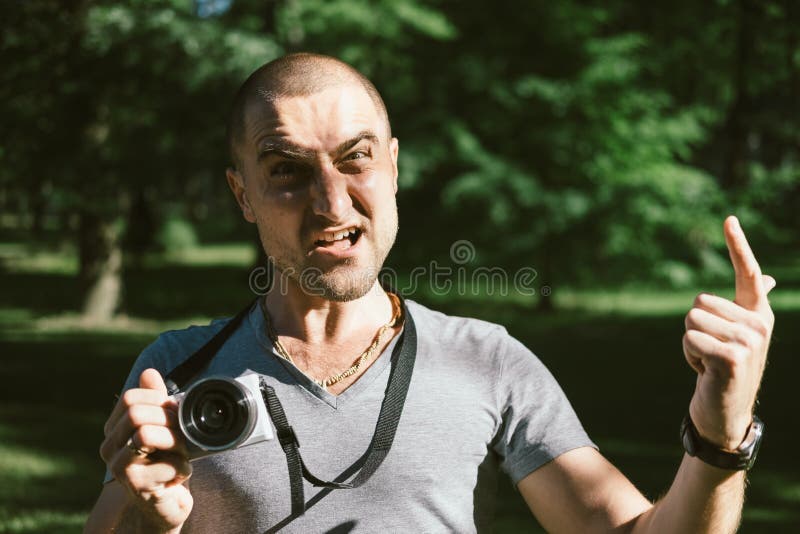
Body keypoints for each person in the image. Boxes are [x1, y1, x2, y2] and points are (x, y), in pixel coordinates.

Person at [84, 53, 776, 533]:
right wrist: (147, 522)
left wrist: (719, 435)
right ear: (244, 195)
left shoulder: (489, 361)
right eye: (285, 169)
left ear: (391, 167)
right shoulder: (175, 374)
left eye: (355, 158)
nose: (332, 201)